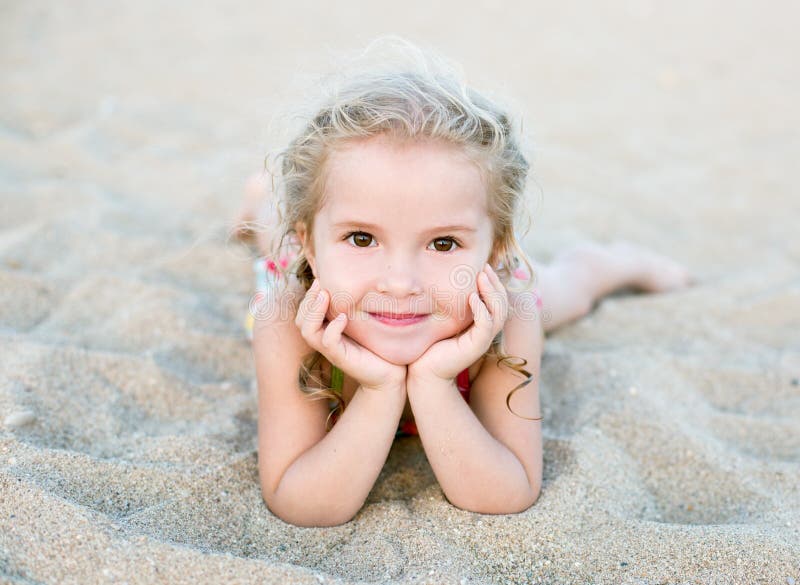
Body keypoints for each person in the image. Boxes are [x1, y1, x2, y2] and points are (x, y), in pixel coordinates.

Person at [232, 39, 692, 528]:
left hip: (479, 298)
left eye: (444, 243)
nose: (401, 282)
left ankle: (607, 261)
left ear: (494, 251)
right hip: (307, 276)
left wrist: (433, 383)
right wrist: (380, 389)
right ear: (314, 246)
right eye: (362, 237)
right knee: (274, 240)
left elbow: (509, 491)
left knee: (566, 294)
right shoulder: (284, 323)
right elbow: (299, 502)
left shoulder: (508, 315)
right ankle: (261, 205)